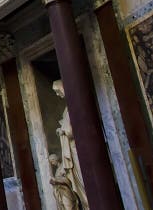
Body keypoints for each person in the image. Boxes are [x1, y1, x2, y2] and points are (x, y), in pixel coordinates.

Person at [53, 80, 89, 209]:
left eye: (58, 91)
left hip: (78, 149)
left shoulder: (73, 106)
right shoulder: (67, 109)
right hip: (72, 150)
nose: (57, 95)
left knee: (85, 183)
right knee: (78, 186)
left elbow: (72, 129)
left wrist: (62, 130)